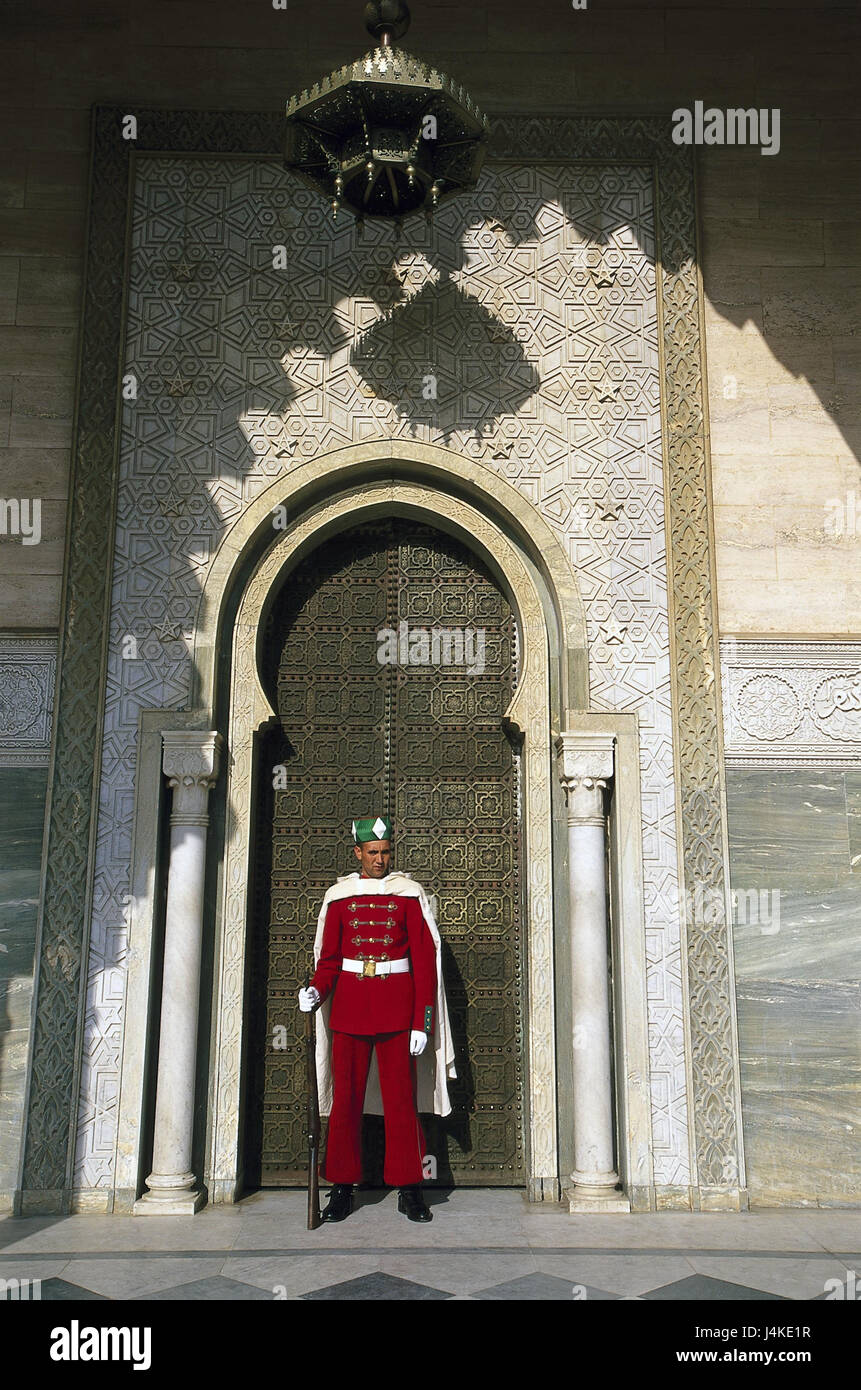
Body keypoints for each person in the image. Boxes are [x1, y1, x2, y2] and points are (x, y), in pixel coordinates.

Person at [298, 816, 455, 1223]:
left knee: (401, 1104)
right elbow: (329, 960)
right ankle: (342, 1186)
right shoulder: (339, 897)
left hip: (397, 1014)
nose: (380, 860)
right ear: (358, 853)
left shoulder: (408, 895)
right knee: (345, 1103)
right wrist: (316, 989)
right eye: (372, 853)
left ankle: (410, 1187)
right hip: (350, 1011)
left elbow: (424, 965)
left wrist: (422, 1023)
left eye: (385, 853)